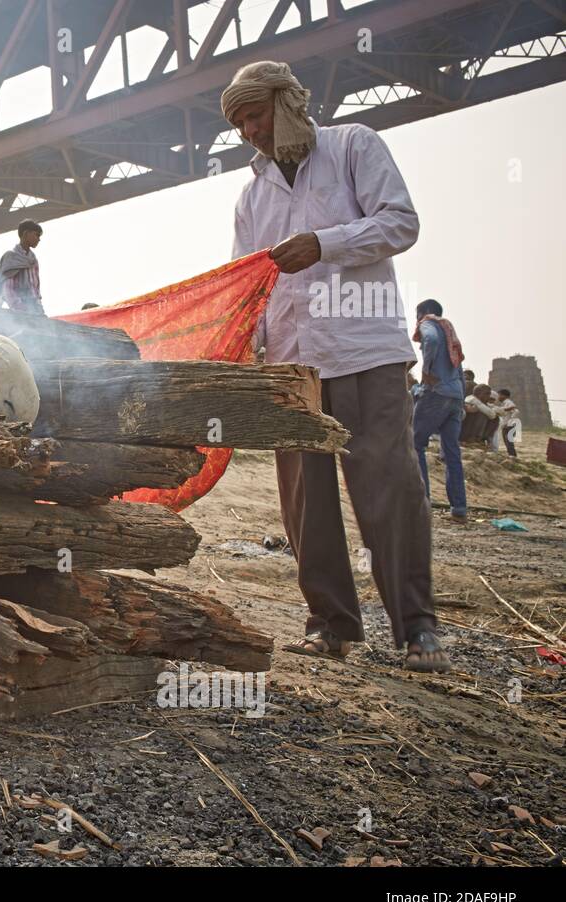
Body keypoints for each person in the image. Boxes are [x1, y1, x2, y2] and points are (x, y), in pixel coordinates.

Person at [223, 59, 449, 673]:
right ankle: (331, 623)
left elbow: (401, 223)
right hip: (294, 369)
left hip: (365, 352)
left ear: (288, 102)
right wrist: (253, 352)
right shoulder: (250, 196)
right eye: (240, 123)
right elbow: (252, 286)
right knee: (305, 504)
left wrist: (325, 244)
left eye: (255, 115)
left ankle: (417, 627)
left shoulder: (354, 145)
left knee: (390, 488)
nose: (249, 131)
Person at [410, 300, 467, 523]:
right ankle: (459, 510)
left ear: (422, 313)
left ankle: (423, 504)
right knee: (452, 452)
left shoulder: (429, 324)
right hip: (455, 395)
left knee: (416, 444)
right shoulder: (449, 331)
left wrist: (425, 373)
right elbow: (459, 366)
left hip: (436, 393)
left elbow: (430, 341)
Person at [0, 220, 44, 314]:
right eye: (36, 235)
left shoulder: (33, 260)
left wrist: (39, 308)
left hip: (35, 310)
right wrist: (21, 308)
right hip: (19, 311)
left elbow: (35, 288)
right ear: (26, 233)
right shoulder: (11, 256)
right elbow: (7, 289)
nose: (39, 239)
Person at [495, 389, 520, 457]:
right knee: (507, 441)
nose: (498, 397)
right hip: (506, 425)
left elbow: (513, 408)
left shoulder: (508, 402)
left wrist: (502, 409)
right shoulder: (504, 403)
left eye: (499, 395)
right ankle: (511, 455)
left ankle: (512, 455)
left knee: (508, 441)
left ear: (504, 396)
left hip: (509, 426)